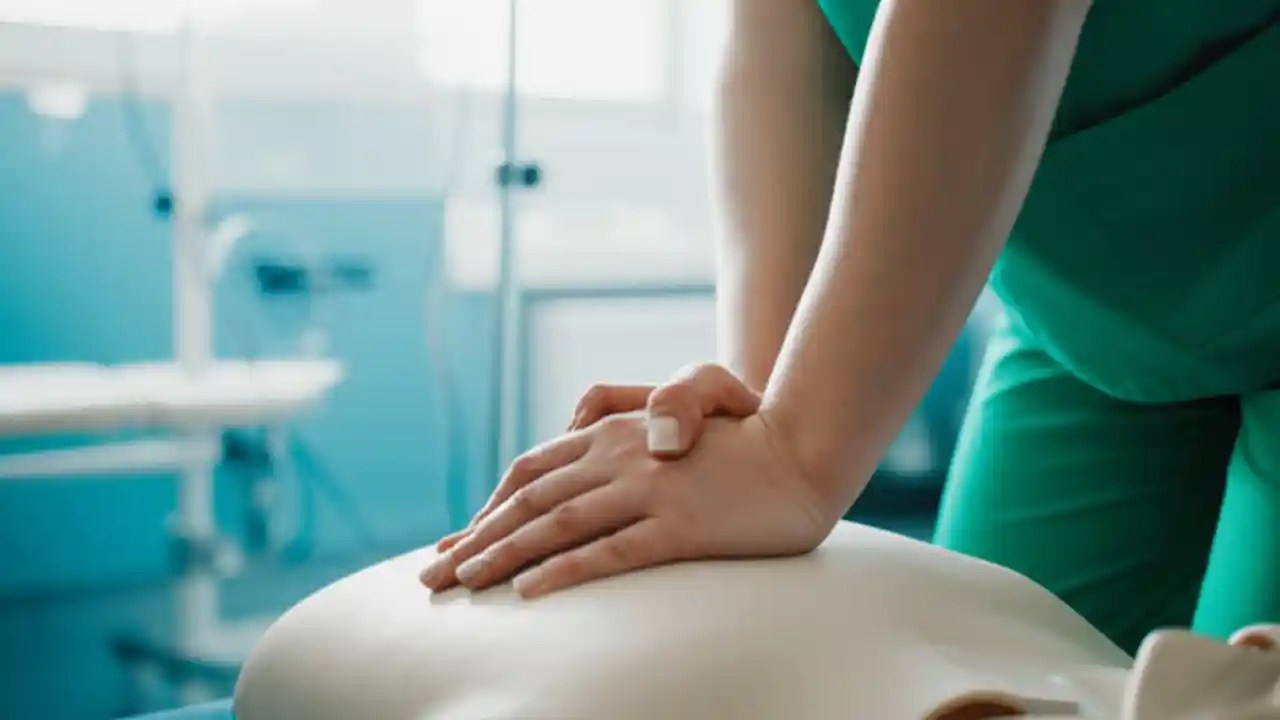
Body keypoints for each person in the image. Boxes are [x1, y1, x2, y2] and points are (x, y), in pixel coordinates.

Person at [421, 0, 1280, 654]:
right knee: (979, 679)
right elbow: (784, 31)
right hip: (1087, 315)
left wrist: (796, 455)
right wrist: (756, 407)